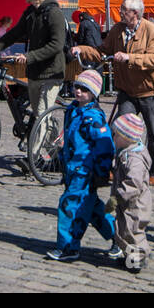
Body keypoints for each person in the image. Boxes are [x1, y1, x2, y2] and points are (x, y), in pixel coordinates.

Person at [72, 0, 154, 186]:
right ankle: (117, 168)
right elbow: (102, 52)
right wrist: (82, 49)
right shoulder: (117, 30)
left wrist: (129, 58)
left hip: (150, 91)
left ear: (135, 13)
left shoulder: (151, 30)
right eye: (121, 9)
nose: (121, 13)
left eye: (124, 10)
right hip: (127, 91)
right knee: (118, 131)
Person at [0, 0, 67, 146]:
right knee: (38, 114)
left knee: (41, 113)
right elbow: (13, 34)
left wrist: (28, 56)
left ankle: (31, 158)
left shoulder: (54, 14)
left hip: (52, 73)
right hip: (34, 72)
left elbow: (57, 45)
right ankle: (53, 150)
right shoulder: (30, 13)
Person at [46, 69, 115, 262]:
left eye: (84, 90)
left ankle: (69, 247)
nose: (78, 92)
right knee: (93, 208)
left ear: (93, 93)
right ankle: (119, 238)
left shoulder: (93, 117)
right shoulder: (73, 110)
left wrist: (101, 171)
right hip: (72, 168)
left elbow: (104, 145)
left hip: (85, 171)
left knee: (70, 206)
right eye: (77, 87)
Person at [108, 112, 150, 273]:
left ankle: (137, 260)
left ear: (126, 137)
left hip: (134, 203)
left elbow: (134, 183)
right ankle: (129, 256)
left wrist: (119, 195)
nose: (114, 138)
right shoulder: (126, 153)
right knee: (124, 230)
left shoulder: (135, 159)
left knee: (134, 232)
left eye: (116, 135)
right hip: (126, 201)